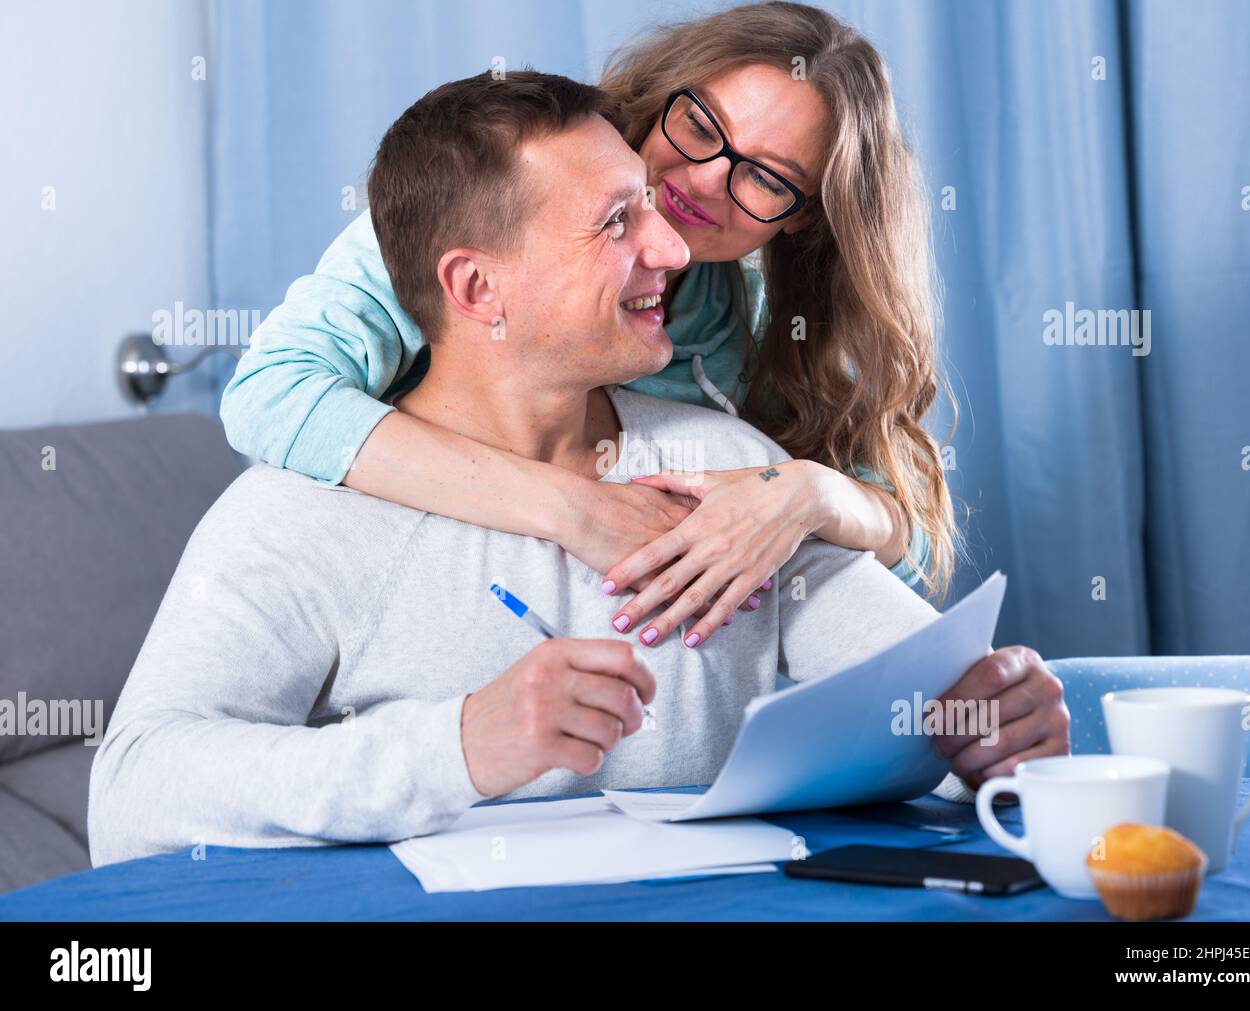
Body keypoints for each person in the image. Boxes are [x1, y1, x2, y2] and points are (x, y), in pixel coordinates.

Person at [89, 72, 1068, 866]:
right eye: (616, 225)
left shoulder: (726, 474)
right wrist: (457, 746)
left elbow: (923, 704)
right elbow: (134, 793)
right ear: (478, 288)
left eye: (651, 210)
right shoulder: (297, 513)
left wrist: (985, 720)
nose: (674, 246)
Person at [219, 1, 956, 652]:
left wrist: (812, 494)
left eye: (767, 176)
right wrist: (572, 506)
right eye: (701, 124)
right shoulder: (475, 223)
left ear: (802, 218)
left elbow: (907, 547)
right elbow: (270, 393)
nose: (700, 181)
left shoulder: (752, 332)